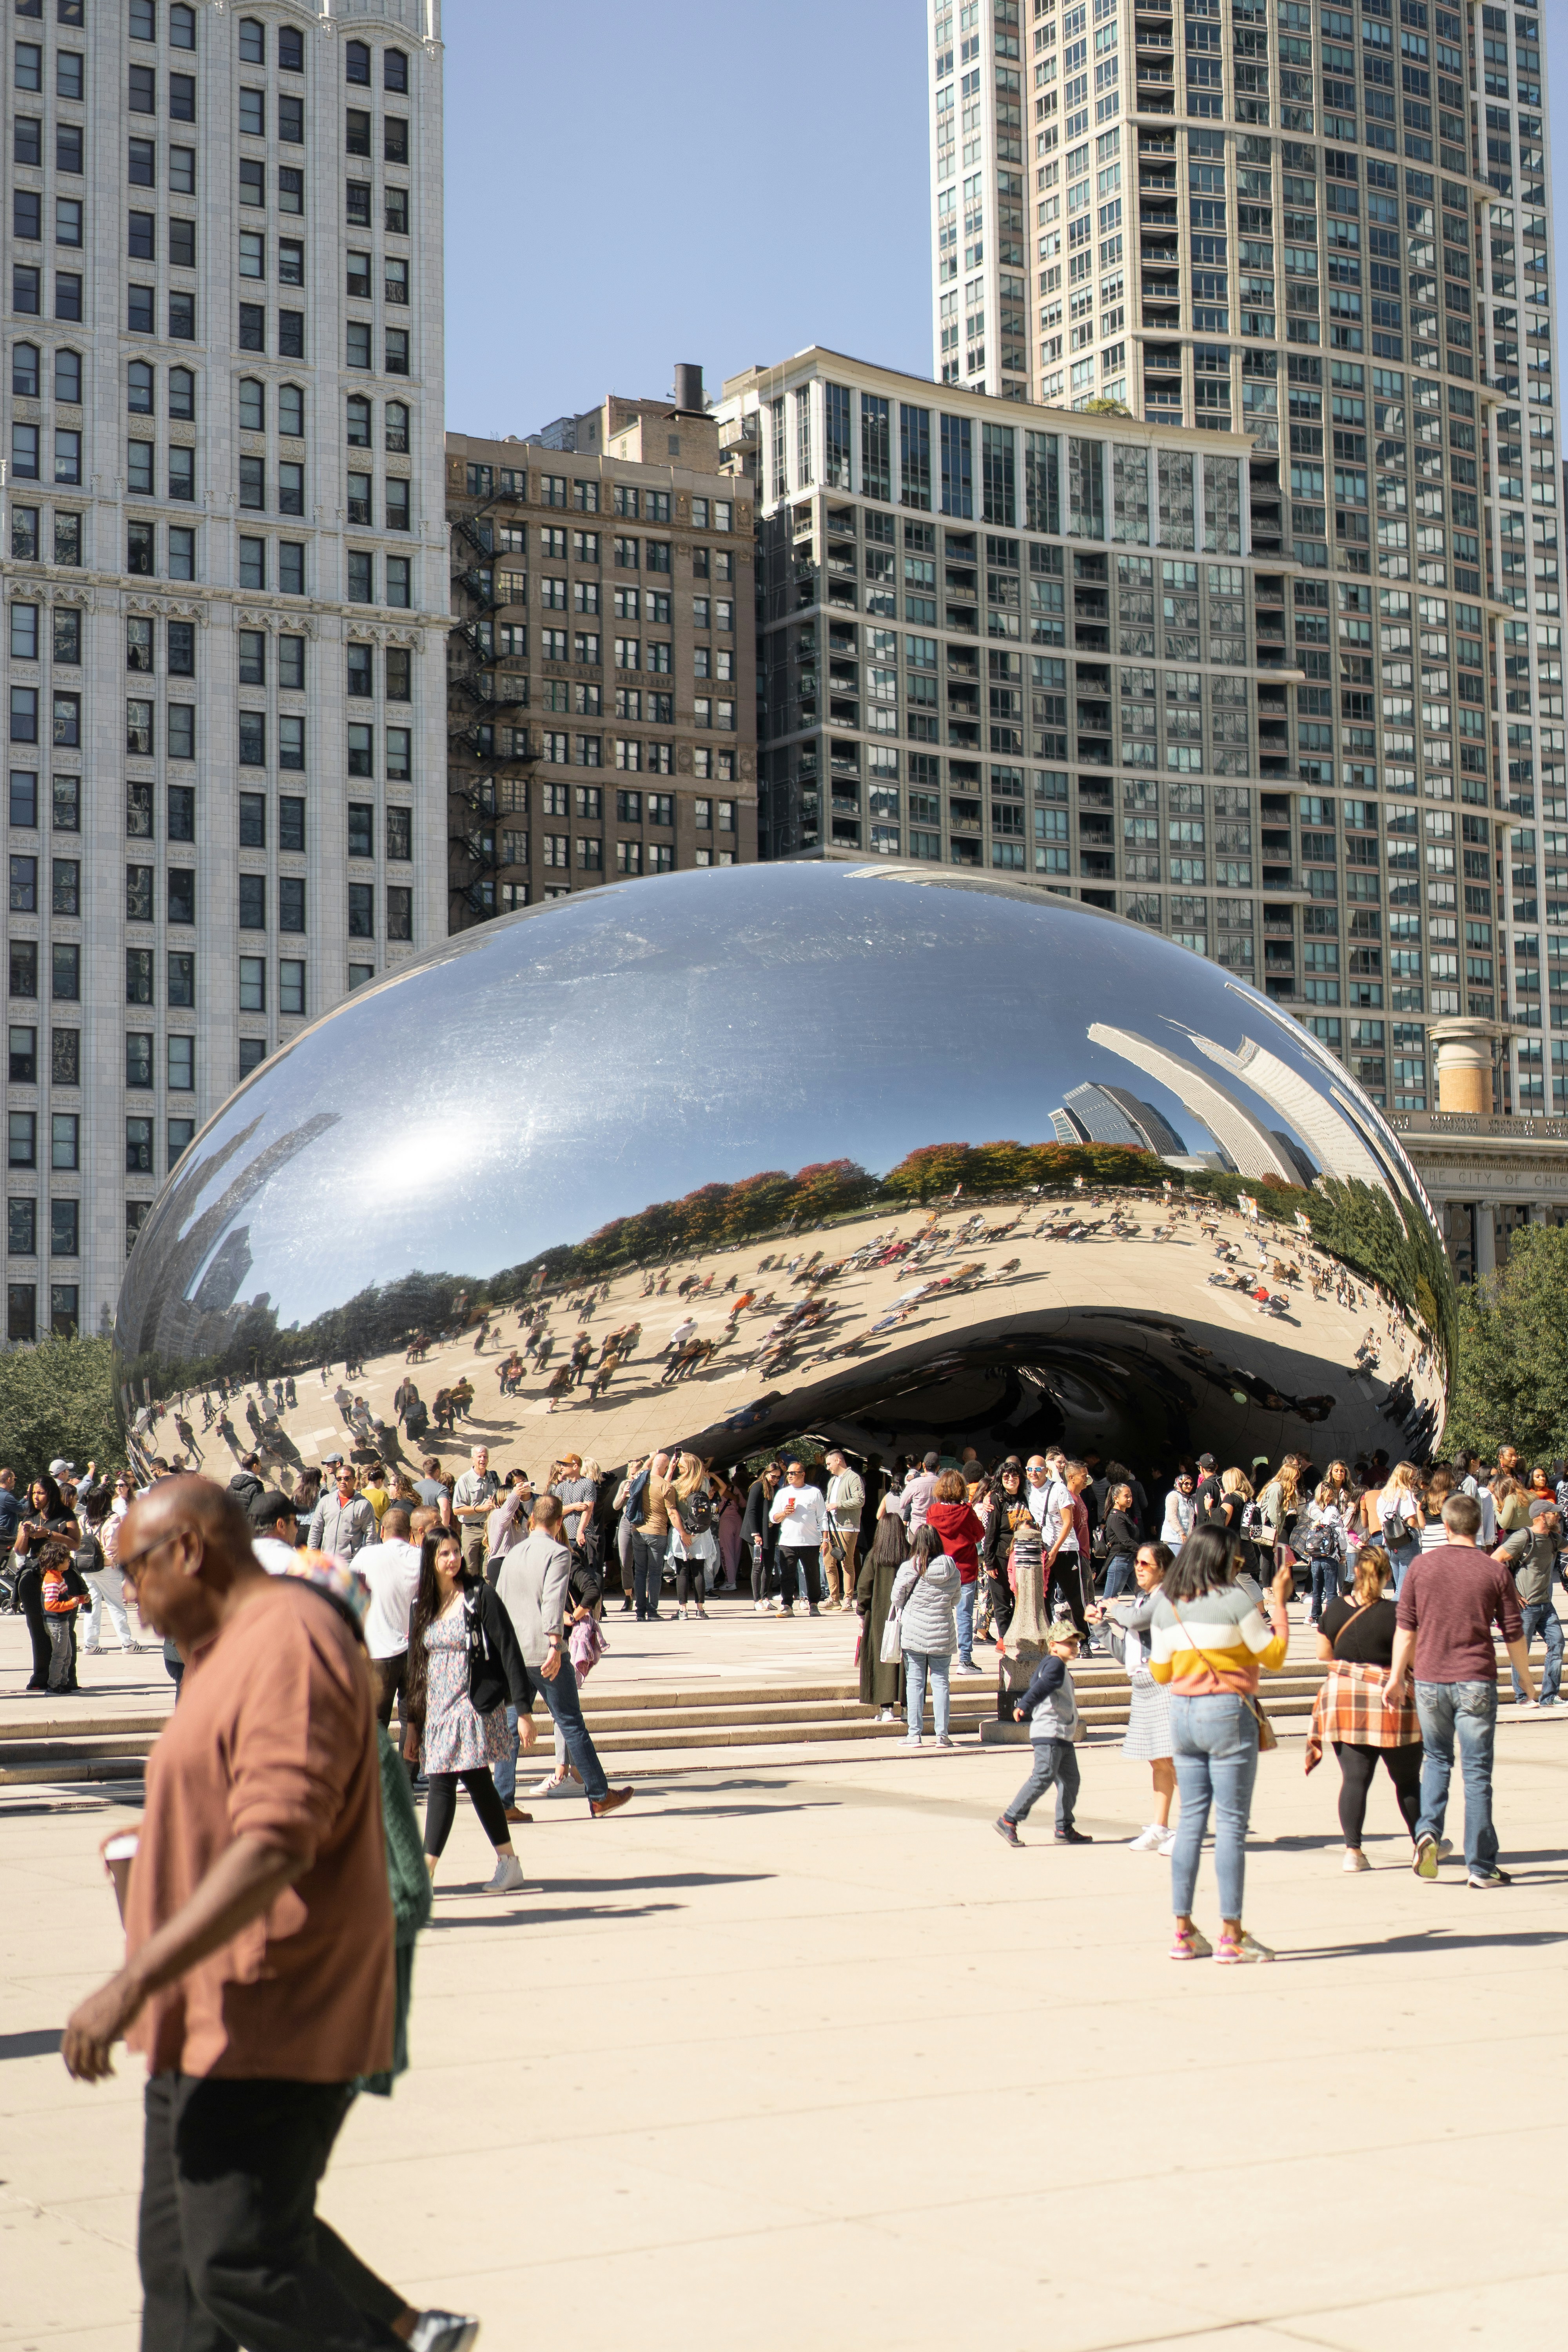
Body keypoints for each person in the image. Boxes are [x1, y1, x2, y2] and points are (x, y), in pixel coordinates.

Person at [60, 1475, 475, 2352]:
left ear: (188, 1550)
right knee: (180, 2290)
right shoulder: (224, 1648)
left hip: (271, 2010)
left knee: (242, 2262)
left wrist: (131, 1981)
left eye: (132, 1570)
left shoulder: (289, 1638)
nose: (126, 1595)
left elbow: (280, 1837)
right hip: (199, 2014)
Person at [1149, 1524, 1292, 1964]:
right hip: (1228, 1712)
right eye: (1235, 1559)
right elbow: (1274, 1655)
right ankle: (1231, 1933)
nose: (1239, 1565)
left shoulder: (1168, 1606)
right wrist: (1280, 1605)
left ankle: (1183, 1930)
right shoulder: (1234, 1601)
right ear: (1222, 1561)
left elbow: (1159, 1673)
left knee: (1191, 1822)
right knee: (1230, 1824)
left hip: (1184, 1714)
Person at [1387, 1491, 1534, 1889]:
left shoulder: (1420, 1567)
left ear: (1446, 1526)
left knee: (1435, 1760)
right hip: (1475, 1681)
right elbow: (1513, 1633)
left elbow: (1405, 1629)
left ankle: (1428, 1833)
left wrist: (1396, 1676)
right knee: (1476, 1774)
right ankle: (1481, 1866)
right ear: (1479, 1528)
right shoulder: (1494, 1571)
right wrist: (1526, 1679)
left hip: (1431, 1682)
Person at [405, 1529, 533, 1891]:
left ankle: (426, 1871)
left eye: (456, 1551)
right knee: (475, 1781)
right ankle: (509, 1862)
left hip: (473, 1702)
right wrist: (412, 1724)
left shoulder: (479, 1595)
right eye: (444, 1553)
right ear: (431, 1559)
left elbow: (508, 1647)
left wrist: (523, 1710)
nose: (453, 1559)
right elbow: (415, 1669)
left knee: (446, 1782)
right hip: (437, 1708)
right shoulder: (423, 1605)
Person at [492, 1495, 632, 1819]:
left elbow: (498, 1601)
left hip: (512, 1652)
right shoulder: (557, 1552)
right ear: (558, 1524)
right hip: (544, 1651)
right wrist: (556, 1643)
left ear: (531, 1521)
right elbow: (554, 1599)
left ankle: (503, 1802)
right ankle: (598, 1794)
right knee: (570, 1722)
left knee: (511, 1727)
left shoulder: (513, 1553)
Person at [1307, 1545, 1425, 1871]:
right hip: (1390, 1698)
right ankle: (1423, 1844)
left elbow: (1323, 1654)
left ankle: (1353, 1853)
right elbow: (1413, 1660)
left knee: (1355, 1778)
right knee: (1407, 1780)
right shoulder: (1398, 1613)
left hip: (1343, 1698)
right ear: (1388, 1576)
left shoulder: (1333, 1609)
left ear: (1355, 1573)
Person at [1101, 1541, 1178, 1855]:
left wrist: (1113, 1607)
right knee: (1158, 1760)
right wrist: (1100, 1627)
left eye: (1146, 1564)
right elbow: (1127, 1650)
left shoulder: (1166, 1597)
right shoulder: (1144, 1600)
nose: (1139, 1568)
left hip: (1166, 1684)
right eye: (1137, 1562)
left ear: (1163, 1569)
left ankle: (1189, 1829)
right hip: (1143, 1683)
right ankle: (1160, 1828)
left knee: (1177, 1761)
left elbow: (1135, 1621)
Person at [993, 1619, 1091, 1847]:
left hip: (1061, 1734)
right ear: (1053, 1645)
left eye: (1076, 1643)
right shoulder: (1055, 1665)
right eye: (1069, 1643)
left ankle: (1064, 1828)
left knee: (1070, 1780)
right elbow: (1042, 1686)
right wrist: (1024, 1704)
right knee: (1043, 1776)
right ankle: (1009, 1819)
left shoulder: (1054, 1664)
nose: (1074, 1647)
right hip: (1050, 1732)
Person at [358, 1505, 431, 1753]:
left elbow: (348, 1596)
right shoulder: (421, 1557)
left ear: (381, 1531)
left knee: (377, 1723)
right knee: (413, 1720)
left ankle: (380, 1780)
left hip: (378, 1649)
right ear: (410, 1532)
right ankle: (409, 1778)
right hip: (413, 1651)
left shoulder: (367, 1556)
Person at [890, 1524, 960, 1749]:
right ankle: (943, 1735)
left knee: (915, 1683)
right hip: (942, 1632)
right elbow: (956, 1599)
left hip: (914, 1633)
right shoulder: (951, 1568)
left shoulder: (909, 1568)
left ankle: (915, 1734)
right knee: (942, 1684)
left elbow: (896, 1598)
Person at [1501, 1495, 1564, 1708]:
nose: (1558, 1515)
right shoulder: (1523, 1537)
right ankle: (1523, 1696)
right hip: (1525, 1606)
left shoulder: (1555, 1538)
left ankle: (1549, 1696)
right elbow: (1495, 1561)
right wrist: (1513, 1592)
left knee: (1557, 1644)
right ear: (1542, 1517)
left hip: (1546, 1605)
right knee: (1521, 1652)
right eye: (1553, 1513)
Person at [926, 1467, 986, 1673]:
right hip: (965, 1570)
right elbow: (980, 1534)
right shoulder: (966, 1511)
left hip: (939, 1570)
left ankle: (935, 1657)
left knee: (938, 1614)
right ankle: (965, 1661)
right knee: (965, 1616)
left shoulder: (933, 1512)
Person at [855, 1506, 908, 1724]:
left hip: (879, 1616)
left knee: (882, 1659)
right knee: (906, 1662)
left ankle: (886, 1708)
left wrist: (861, 1611)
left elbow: (865, 1587)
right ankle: (907, 1706)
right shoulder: (910, 1553)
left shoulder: (875, 1556)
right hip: (907, 1615)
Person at [79, 1488, 143, 1656]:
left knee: (92, 1607)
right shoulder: (112, 1519)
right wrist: (112, 1559)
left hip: (87, 1567)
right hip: (106, 1567)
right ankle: (128, 1643)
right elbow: (113, 1545)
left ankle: (90, 1644)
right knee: (115, 1606)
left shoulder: (83, 1520)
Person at [769, 1459, 829, 1616]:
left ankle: (814, 1604)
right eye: (788, 1473)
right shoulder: (783, 1493)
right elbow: (773, 1517)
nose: (789, 1476)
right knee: (787, 1575)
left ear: (803, 1475)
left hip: (810, 1542)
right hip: (787, 1542)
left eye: (793, 1473)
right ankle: (787, 1605)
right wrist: (784, 1513)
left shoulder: (814, 1492)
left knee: (812, 1575)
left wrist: (826, 1539)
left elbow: (823, 1517)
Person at [666, 1451, 717, 1619]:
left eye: (681, 1466)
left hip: (682, 1532)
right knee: (699, 1571)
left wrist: (683, 1533)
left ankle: (683, 1611)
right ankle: (701, 1610)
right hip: (702, 1532)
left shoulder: (676, 1485)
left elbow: (670, 1507)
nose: (679, 1469)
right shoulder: (704, 1482)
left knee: (682, 1572)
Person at [821, 1448, 865, 1612]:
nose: (828, 1467)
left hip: (848, 1527)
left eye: (829, 1463)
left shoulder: (853, 1478)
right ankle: (834, 1598)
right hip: (832, 1526)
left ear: (838, 1461)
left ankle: (848, 1599)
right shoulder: (833, 1480)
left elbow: (860, 1500)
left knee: (847, 1563)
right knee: (828, 1561)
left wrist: (837, 1505)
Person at [1303, 1480, 1350, 1629]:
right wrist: (1343, 1554)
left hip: (1316, 1556)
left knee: (1317, 1590)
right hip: (1331, 1557)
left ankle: (1315, 1618)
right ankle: (1329, 1620)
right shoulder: (1333, 1512)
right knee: (1331, 1592)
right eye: (1329, 1495)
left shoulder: (1311, 1509)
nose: (1330, 1498)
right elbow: (1340, 1534)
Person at [307, 1463, 376, 1561]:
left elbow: (371, 1535)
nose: (343, 1482)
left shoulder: (363, 1504)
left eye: (347, 1478)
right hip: (327, 1561)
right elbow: (316, 1529)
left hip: (350, 1562)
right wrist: (311, 1552)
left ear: (354, 1480)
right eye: (339, 1479)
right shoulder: (326, 1501)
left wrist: (368, 1559)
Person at [450, 1446, 498, 1577]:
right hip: (471, 1530)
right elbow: (457, 1510)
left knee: (488, 1572)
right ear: (473, 1459)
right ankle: (473, 1597)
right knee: (470, 1571)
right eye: (480, 1457)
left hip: (489, 1529)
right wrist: (480, 1509)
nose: (483, 1460)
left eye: (485, 1457)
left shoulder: (493, 1478)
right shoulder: (464, 1481)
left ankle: (486, 1596)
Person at [741, 1460, 782, 1613]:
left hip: (770, 1531)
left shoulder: (776, 1488)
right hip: (756, 1533)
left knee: (770, 1565)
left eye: (778, 1477)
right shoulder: (758, 1486)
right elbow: (751, 1510)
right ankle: (756, 1599)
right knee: (758, 1565)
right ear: (766, 1473)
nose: (775, 1479)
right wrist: (755, 1533)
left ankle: (765, 1598)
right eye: (773, 1476)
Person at [1100, 1483, 1141, 1601]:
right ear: (1116, 1498)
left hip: (1129, 1560)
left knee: (1143, 1594)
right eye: (1126, 1496)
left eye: (1131, 1496)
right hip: (1120, 1562)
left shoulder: (1124, 1515)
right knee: (1109, 1599)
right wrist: (1144, 1552)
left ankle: (1146, 1618)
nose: (1129, 1499)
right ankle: (1092, 1620)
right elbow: (1126, 1541)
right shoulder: (1116, 1517)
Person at [1160, 1469, 1196, 1550]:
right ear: (1179, 1484)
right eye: (1186, 1484)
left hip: (1186, 1539)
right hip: (1174, 1539)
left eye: (1191, 1484)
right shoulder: (1174, 1495)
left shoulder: (1190, 1499)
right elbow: (1171, 1516)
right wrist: (1181, 1533)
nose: (1189, 1486)